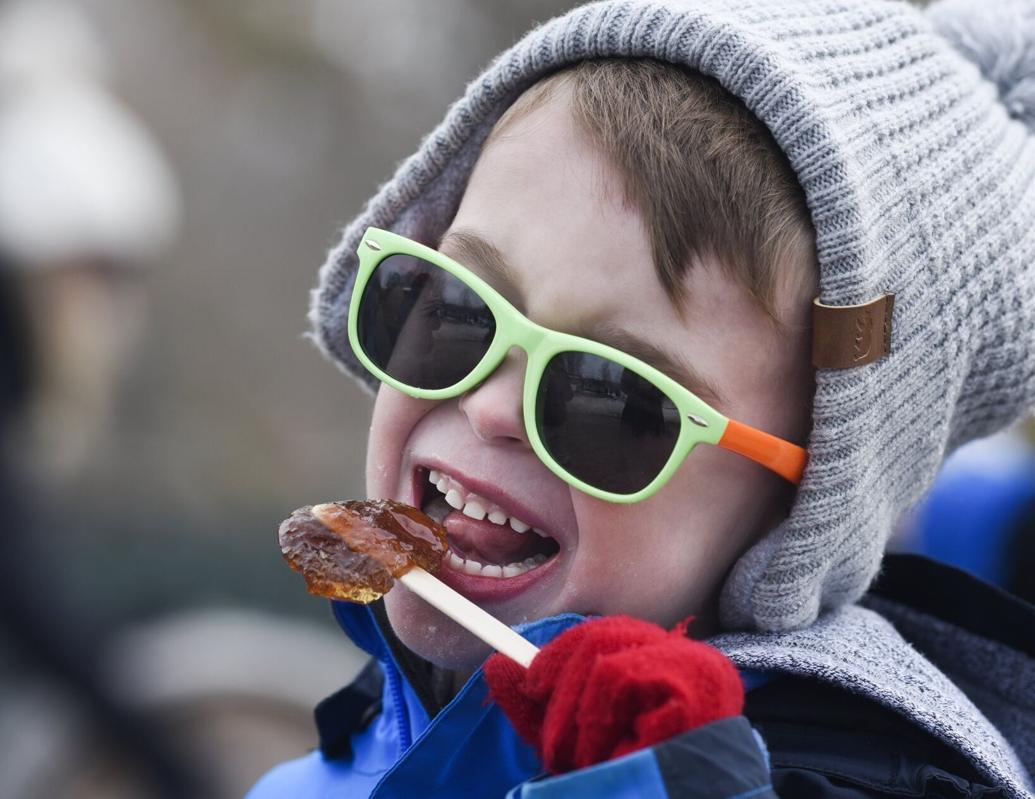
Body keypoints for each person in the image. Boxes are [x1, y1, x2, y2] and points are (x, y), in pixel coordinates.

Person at [249, 0, 1035, 796]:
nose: (490, 409)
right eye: (456, 312)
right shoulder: (320, 768)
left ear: (792, 519)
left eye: (613, 397)